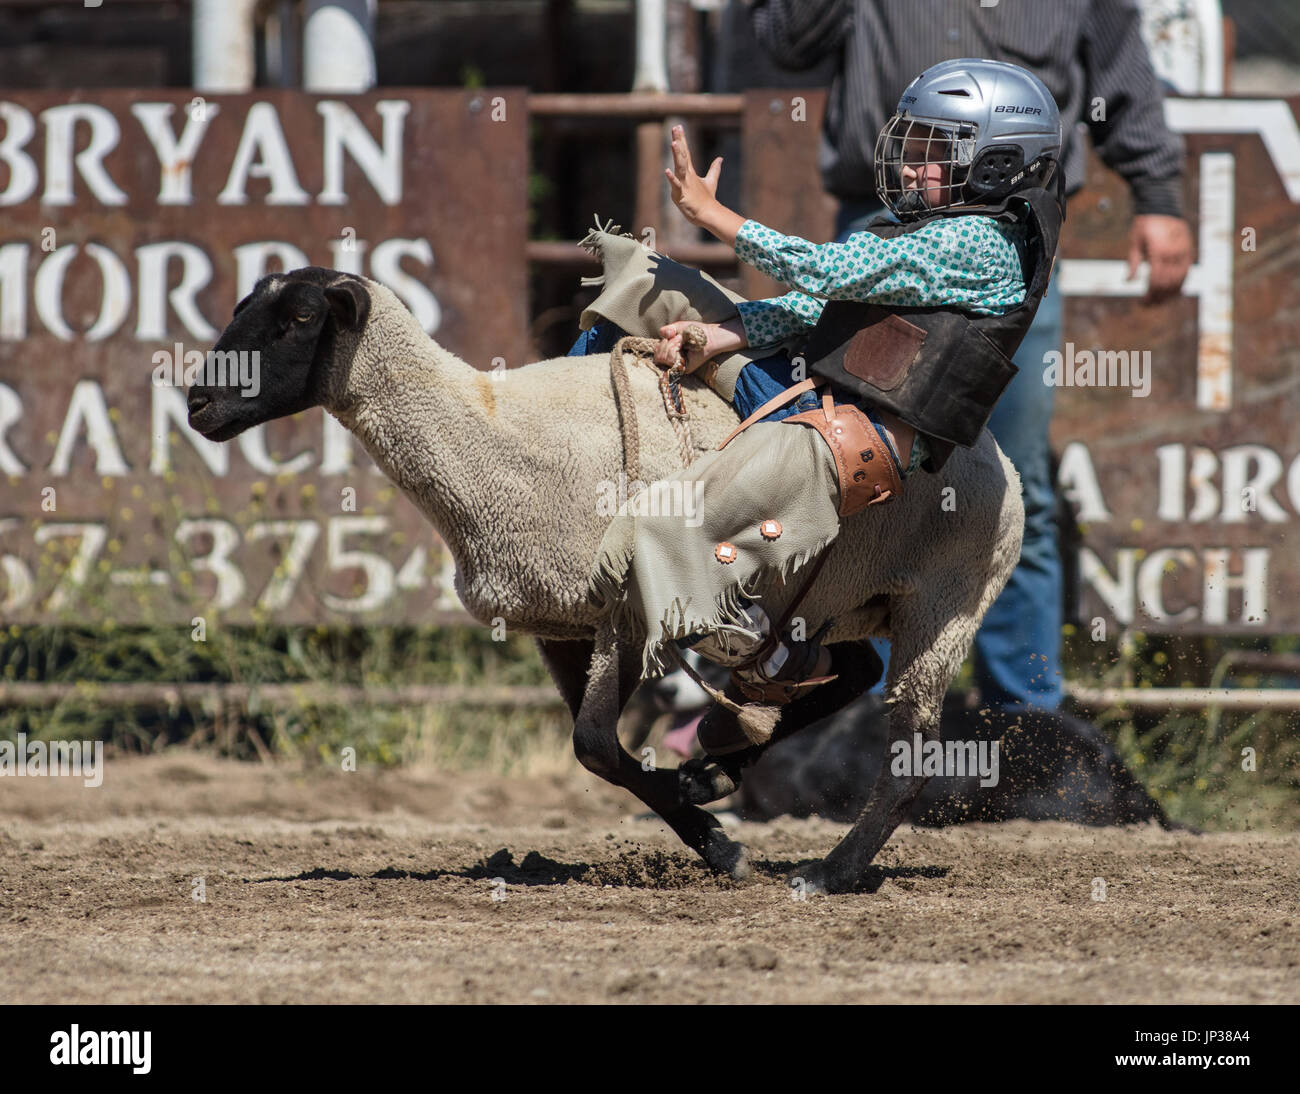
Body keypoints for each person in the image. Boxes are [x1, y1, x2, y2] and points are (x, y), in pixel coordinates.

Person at [580, 58, 1064, 754]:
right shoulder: (933, 228)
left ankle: (780, 663)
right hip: (815, 388)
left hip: (854, 435)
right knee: (646, 280)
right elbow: (820, 304)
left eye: (935, 154)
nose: (911, 168)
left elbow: (826, 271)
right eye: (914, 147)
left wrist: (715, 217)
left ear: (998, 165)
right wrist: (719, 334)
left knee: (662, 528)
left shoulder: (977, 242)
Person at [750, 0, 1194, 710]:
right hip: (883, 230)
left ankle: (1024, 723)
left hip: (1007, 244)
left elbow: (1119, 70)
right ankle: (851, 719)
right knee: (851, 472)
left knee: (1012, 486)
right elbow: (786, 42)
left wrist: (1159, 192)